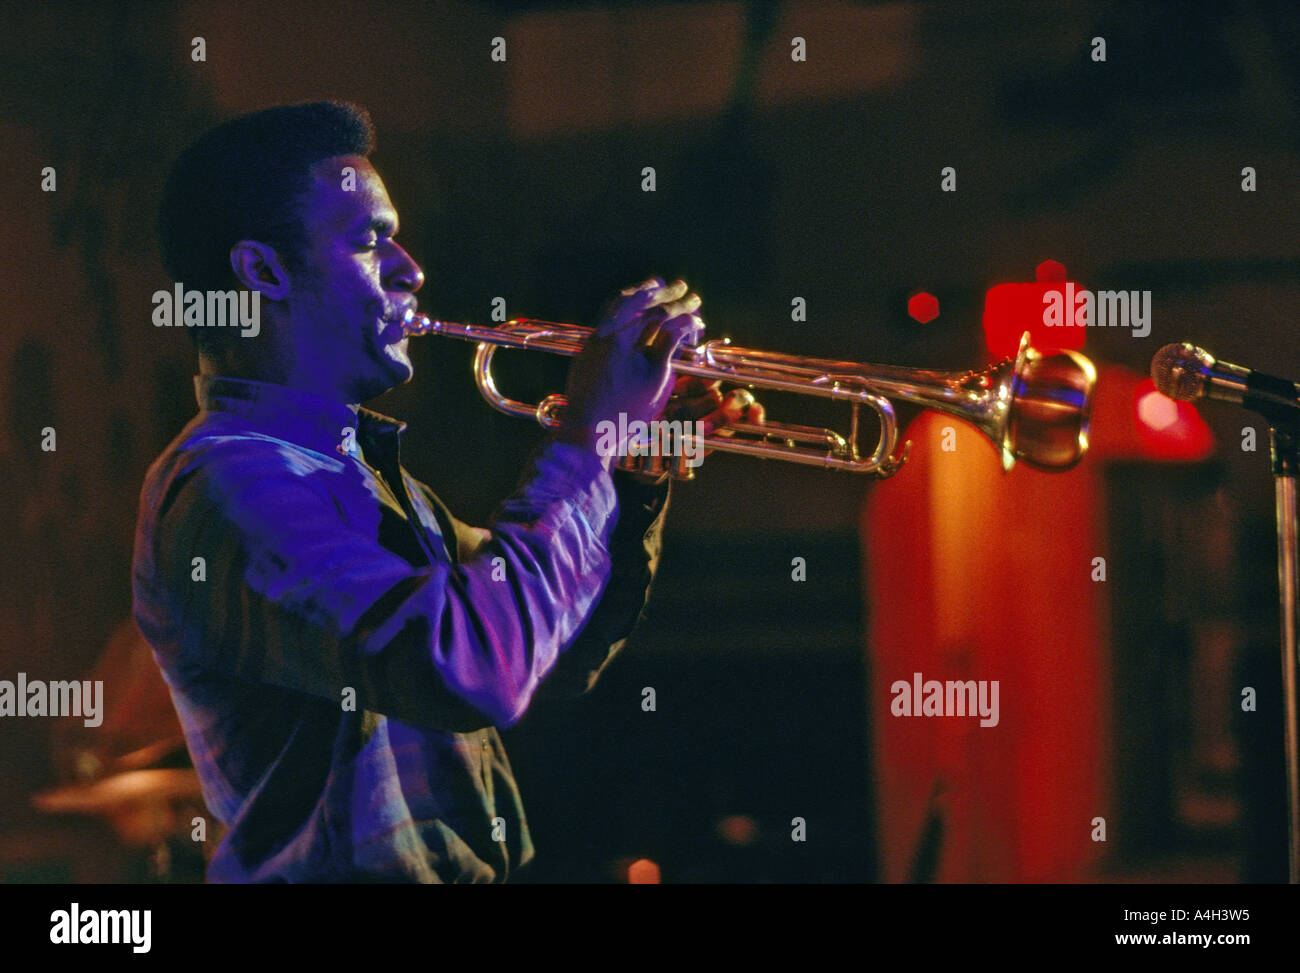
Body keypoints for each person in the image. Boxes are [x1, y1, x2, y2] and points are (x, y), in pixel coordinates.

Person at [132, 101, 758, 882]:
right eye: (368, 241)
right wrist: (589, 439)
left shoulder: (365, 477)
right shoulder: (227, 482)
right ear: (263, 271)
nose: (410, 268)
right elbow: (473, 667)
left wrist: (631, 462)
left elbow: (553, 653)